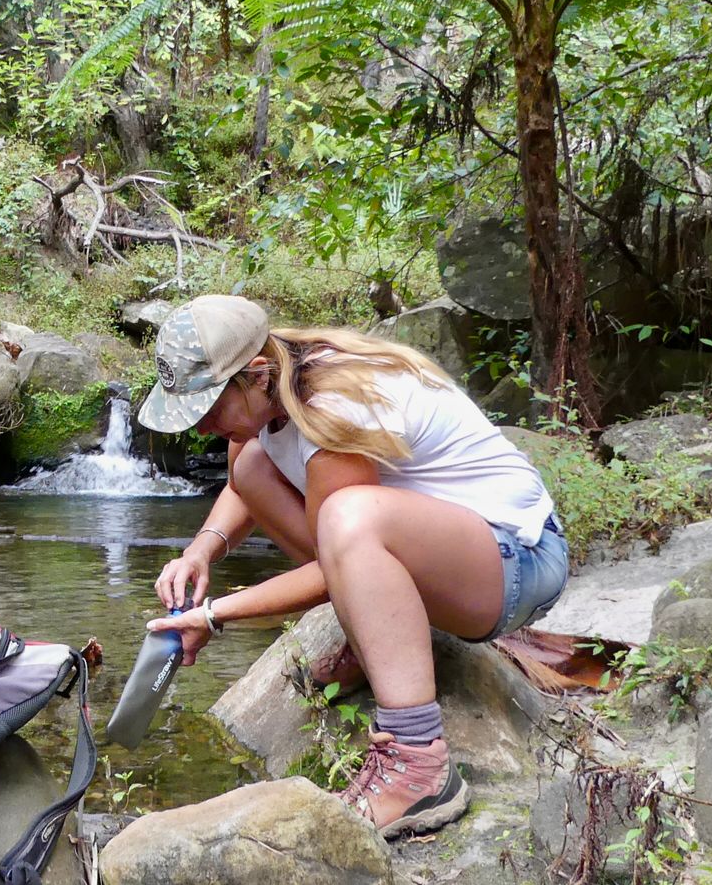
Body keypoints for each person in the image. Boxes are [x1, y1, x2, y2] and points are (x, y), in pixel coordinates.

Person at [137, 294, 568, 837]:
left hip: (518, 562)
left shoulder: (332, 404)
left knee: (347, 517)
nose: (199, 429)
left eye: (207, 409)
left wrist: (215, 615)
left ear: (255, 373)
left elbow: (337, 560)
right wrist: (200, 550)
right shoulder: (278, 386)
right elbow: (248, 486)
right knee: (248, 462)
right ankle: (381, 641)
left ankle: (419, 765)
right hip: (455, 554)